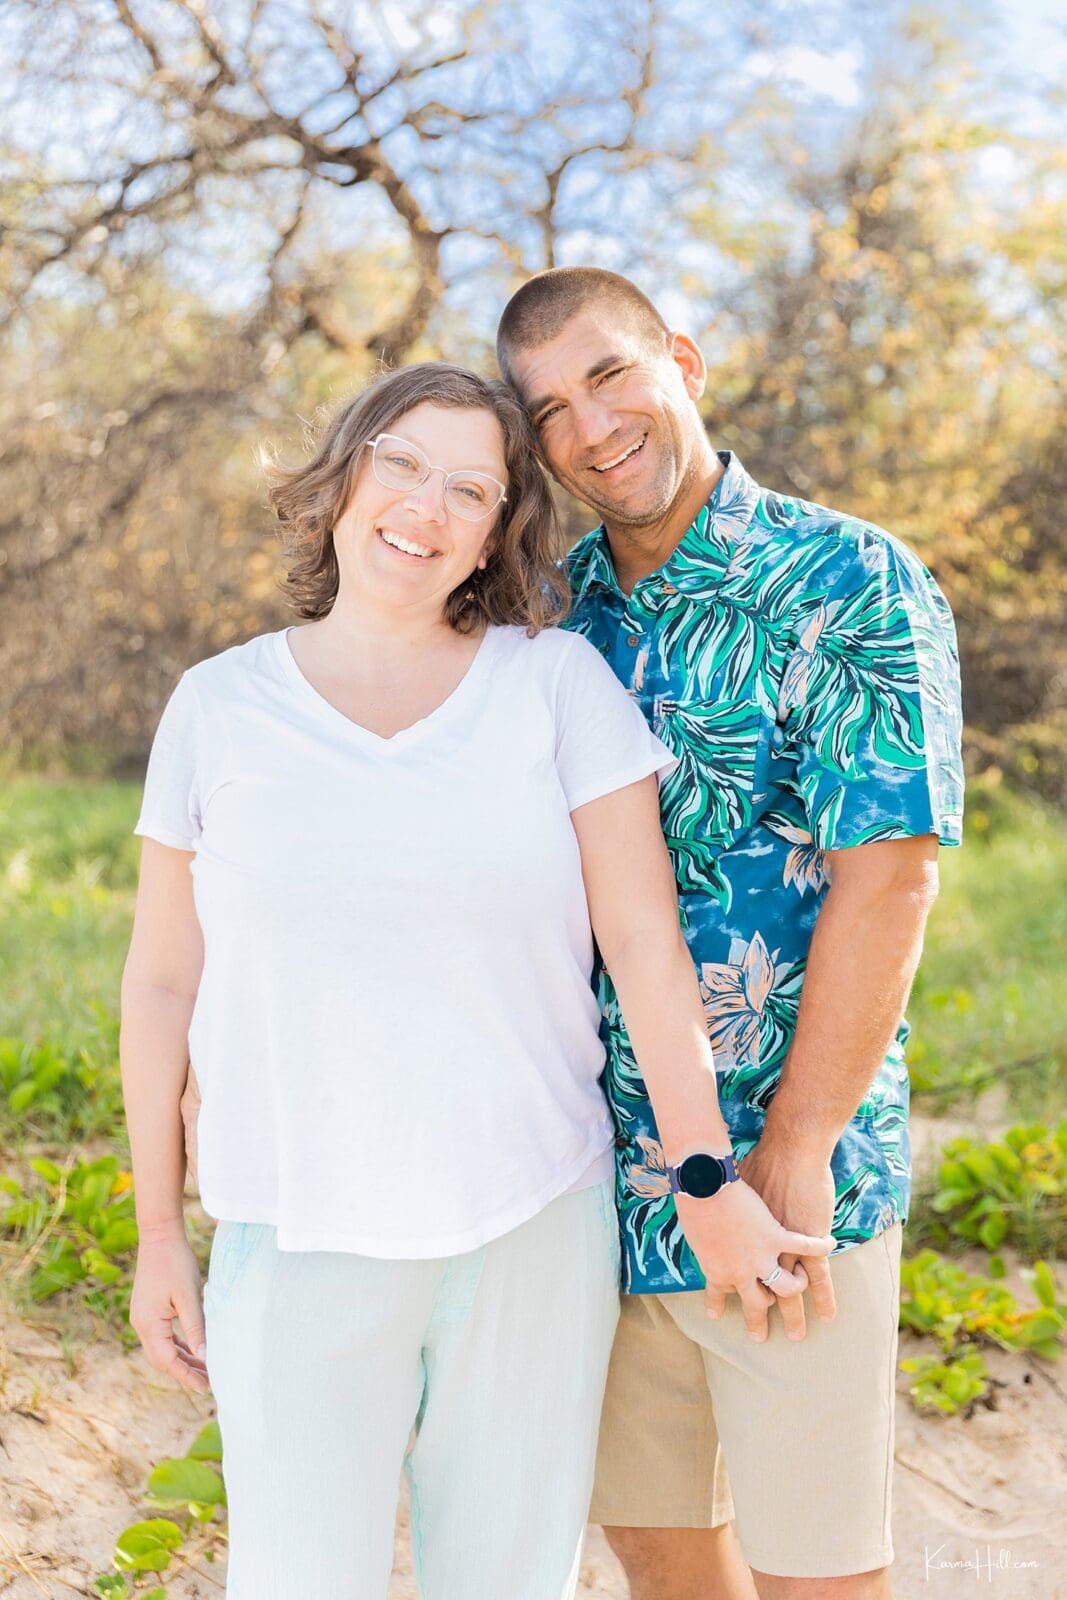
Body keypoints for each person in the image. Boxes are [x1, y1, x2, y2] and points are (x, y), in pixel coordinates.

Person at [121, 362, 833, 1600]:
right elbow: (161, 985)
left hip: (529, 1229)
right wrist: (156, 1238)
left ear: (499, 527)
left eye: (469, 488)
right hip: (294, 1229)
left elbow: (644, 948)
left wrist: (703, 1172)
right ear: (342, 477)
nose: (424, 506)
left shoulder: (553, 685)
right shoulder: (218, 706)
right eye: (399, 463)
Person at [496, 270, 965, 1600]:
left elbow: (891, 879)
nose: (591, 426)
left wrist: (799, 1143)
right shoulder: (548, 617)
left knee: (818, 1567)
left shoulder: (845, 579)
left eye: (609, 376)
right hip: (595, 1180)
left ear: (684, 363)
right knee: (657, 1552)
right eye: (549, 409)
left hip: (782, 1178)